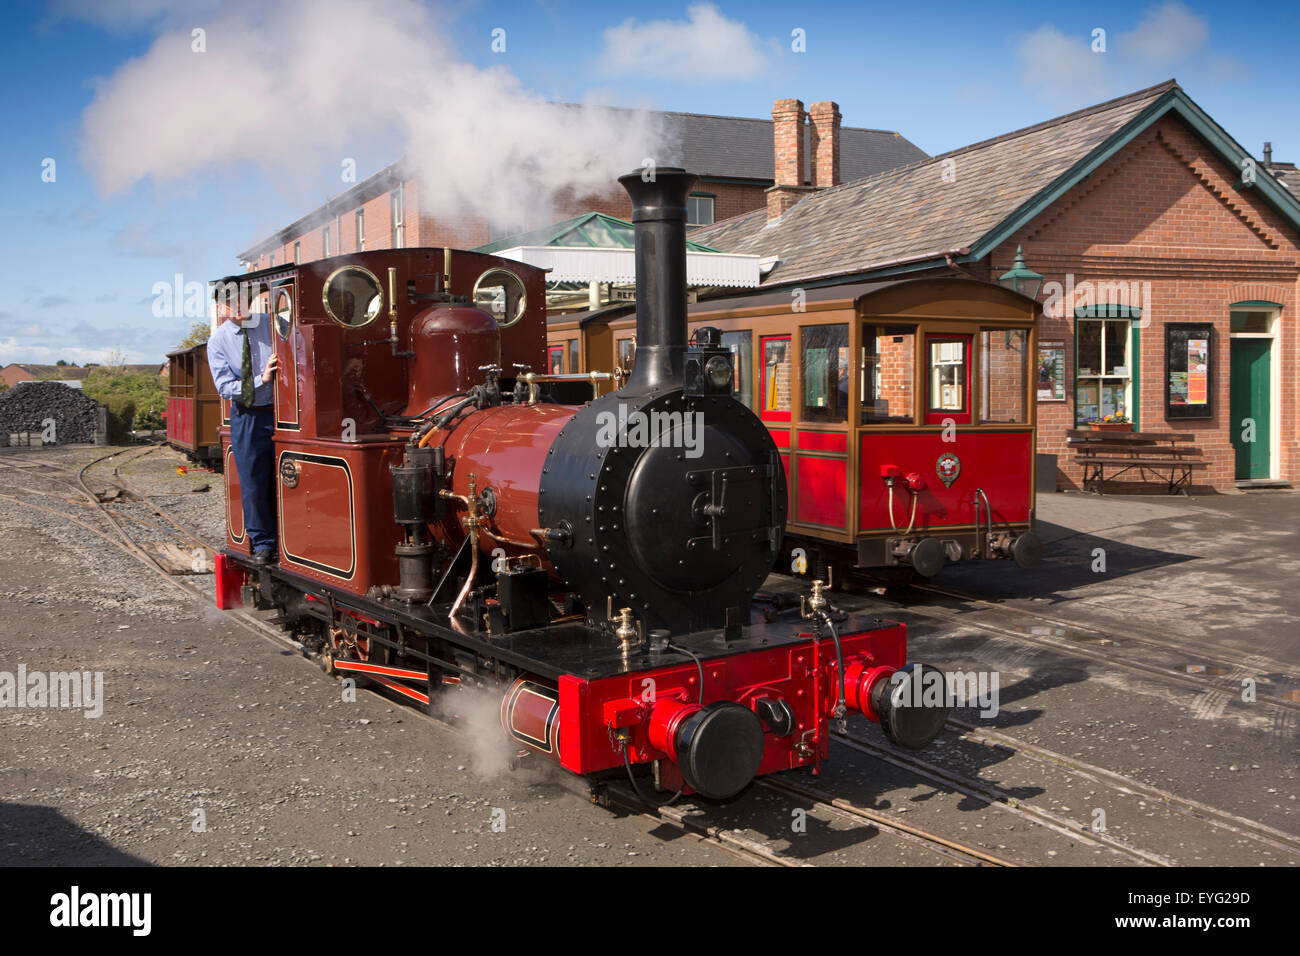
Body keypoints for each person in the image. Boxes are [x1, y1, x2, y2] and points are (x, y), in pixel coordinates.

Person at [207, 291, 279, 565]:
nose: (239, 307)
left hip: (283, 412)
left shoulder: (270, 323)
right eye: (232, 303)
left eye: (243, 301)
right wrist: (262, 379)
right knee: (253, 480)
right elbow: (225, 387)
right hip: (248, 415)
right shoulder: (217, 341)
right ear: (222, 307)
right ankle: (263, 542)